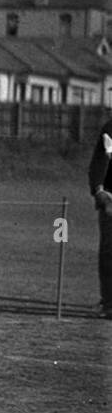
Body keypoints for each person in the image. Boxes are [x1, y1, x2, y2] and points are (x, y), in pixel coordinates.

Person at [90, 123, 112, 319]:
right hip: (111, 200)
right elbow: (98, 162)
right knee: (108, 252)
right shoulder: (109, 128)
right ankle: (109, 302)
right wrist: (98, 191)